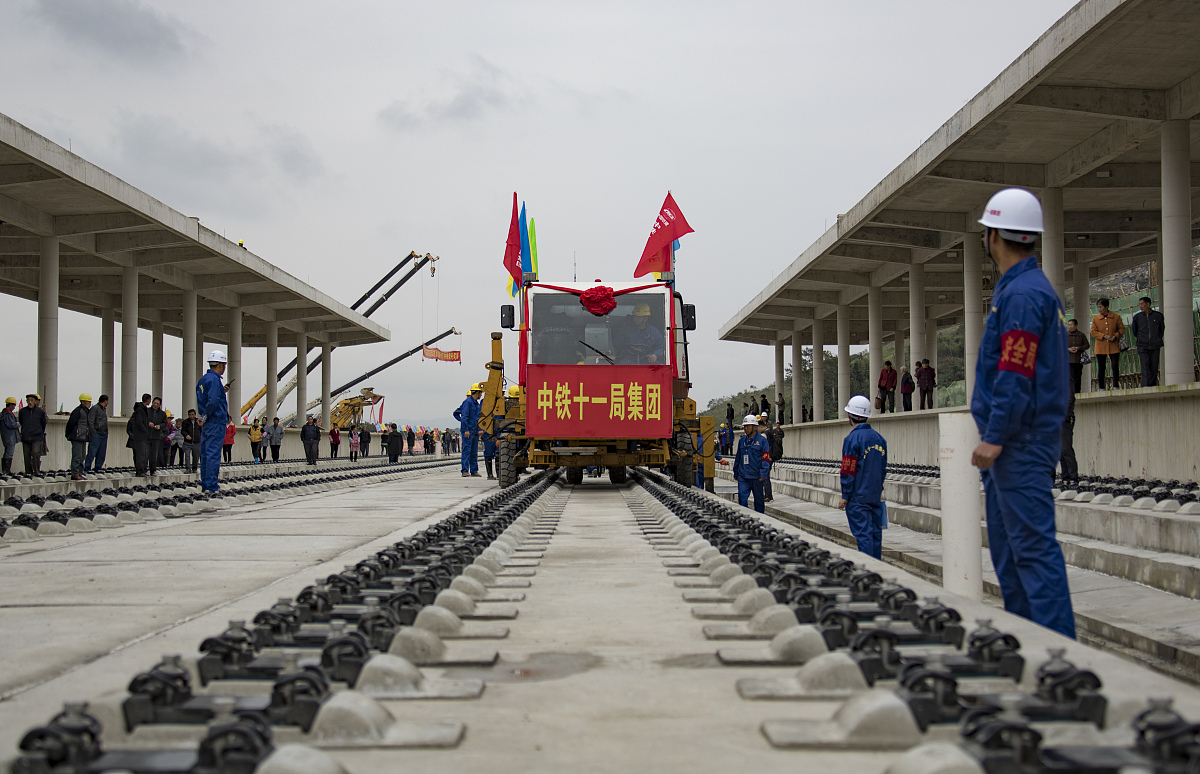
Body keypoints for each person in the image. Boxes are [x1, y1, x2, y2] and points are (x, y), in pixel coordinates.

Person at [970, 187, 1074, 639]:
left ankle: (1061, 656)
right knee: (1011, 556)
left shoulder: (1023, 296)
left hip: (1020, 444)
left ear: (993, 235)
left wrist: (995, 436)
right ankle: (1031, 645)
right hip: (1016, 444)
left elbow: (1015, 373)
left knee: (1031, 551)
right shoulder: (1021, 290)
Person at [837, 395, 887, 559]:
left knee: (864, 535)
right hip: (875, 496)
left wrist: (845, 495)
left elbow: (848, 470)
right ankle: (877, 566)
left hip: (858, 497)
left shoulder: (852, 439)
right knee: (875, 534)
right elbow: (883, 469)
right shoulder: (880, 439)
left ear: (850, 416)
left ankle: (869, 569)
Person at [196, 350, 230, 493]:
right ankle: (211, 485)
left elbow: (207, 399)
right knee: (213, 454)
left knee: (205, 454)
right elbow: (213, 402)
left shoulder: (204, 379)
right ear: (221, 365)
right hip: (215, 421)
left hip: (208, 423)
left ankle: (206, 484)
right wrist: (205, 417)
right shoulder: (215, 380)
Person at [733, 414, 771, 513]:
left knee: (759, 501)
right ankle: (744, 517)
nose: (746, 428)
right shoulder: (742, 441)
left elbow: (765, 458)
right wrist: (736, 472)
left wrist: (763, 473)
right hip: (743, 475)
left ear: (755, 427)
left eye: (748, 426)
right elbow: (738, 457)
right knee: (742, 497)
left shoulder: (762, 441)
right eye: (745, 426)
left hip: (756, 476)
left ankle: (760, 518)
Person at [1089, 297, 1125, 390]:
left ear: (1106, 307)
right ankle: (1101, 387)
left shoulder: (1116, 317)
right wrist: (1104, 336)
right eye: (1098, 307)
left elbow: (1122, 329)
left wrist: (1115, 336)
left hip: (1114, 345)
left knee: (1115, 366)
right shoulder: (1096, 319)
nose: (1099, 309)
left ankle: (1116, 385)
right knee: (1101, 367)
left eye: (1101, 307)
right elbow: (1093, 332)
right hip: (1101, 347)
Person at [1131, 296, 1165, 388]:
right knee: (1145, 366)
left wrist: (1156, 338)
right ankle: (1146, 386)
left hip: (1155, 345)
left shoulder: (1158, 316)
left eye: (1142, 304)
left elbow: (1161, 330)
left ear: (1148, 304)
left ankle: (1152, 385)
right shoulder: (1137, 317)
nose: (1140, 306)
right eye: (1139, 304)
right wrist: (1141, 338)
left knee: (1154, 366)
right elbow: (1135, 331)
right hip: (1142, 345)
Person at [456, 383, 483, 477]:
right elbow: (464, 417)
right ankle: (465, 470)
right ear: (477, 392)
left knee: (474, 452)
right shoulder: (467, 403)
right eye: (480, 393)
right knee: (467, 451)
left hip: (475, 431)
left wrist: (479, 429)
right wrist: (466, 429)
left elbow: (478, 418)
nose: (481, 395)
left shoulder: (477, 404)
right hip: (468, 431)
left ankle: (474, 470)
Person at [65, 393, 94, 480]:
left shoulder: (87, 411)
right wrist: (68, 433)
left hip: (83, 437)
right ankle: (75, 474)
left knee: (82, 456)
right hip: (77, 437)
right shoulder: (78, 411)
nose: (89, 404)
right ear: (83, 402)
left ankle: (80, 473)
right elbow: (71, 423)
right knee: (77, 456)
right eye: (88, 402)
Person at [18, 393, 47, 475]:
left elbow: (43, 423)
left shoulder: (40, 412)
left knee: (35, 453)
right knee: (26, 456)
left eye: (32, 400)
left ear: (35, 402)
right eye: (28, 400)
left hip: (36, 437)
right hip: (26, 437)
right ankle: (28, 472)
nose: (30, 402)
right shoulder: (22, 411)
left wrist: (39, 433)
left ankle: (36, 471)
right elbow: (21, 422)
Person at [127, 394, 153, 476]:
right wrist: (145, 430)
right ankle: (140, 471)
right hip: (140, 436)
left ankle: (142, 470)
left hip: (142, 436)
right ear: (148, 400)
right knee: (140, 454)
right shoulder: (140, 410)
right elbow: (139, 422)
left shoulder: (143, 409)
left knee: (143, 454)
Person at [84, 394, 110, 473]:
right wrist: (93, 432)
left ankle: (98, 468)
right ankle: (87, 468)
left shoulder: (103, 409)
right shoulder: (95, 408)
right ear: (105, 401)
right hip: (97, 434)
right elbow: (90, 421)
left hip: (104, 434)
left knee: (101, 453)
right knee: (92, 452)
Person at [1066, 319, 1090, 395]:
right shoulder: (1065, 335)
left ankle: (1077, 392)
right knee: (1070, 376)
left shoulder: (1081, 335)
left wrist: (1078, 348)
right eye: (1069, 325)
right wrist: (1068, 349)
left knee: (1078, 376)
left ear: (1076, 325)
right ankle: (1070, 392)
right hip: (1068, 360)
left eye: (1071, 325)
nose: (1070, 326)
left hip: (1078, 359)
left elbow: (1087, 345)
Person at [765, 417, 785, 502]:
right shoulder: (771, 434)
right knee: (766, 477)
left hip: (768, 458)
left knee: (765, 477)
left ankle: (768, 495)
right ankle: (768, 495)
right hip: (771, 457)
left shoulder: (766, 435)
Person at [1, 397, 19, 475]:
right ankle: (6, 471)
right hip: (9, 437)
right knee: (9, 453)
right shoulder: (7, 414)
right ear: (10, 405)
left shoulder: (4, 413)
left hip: (7, 436)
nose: (14, 407)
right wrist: (19, 423)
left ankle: (5, 471)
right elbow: (10, 424)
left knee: (7, 453)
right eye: (14, 405)